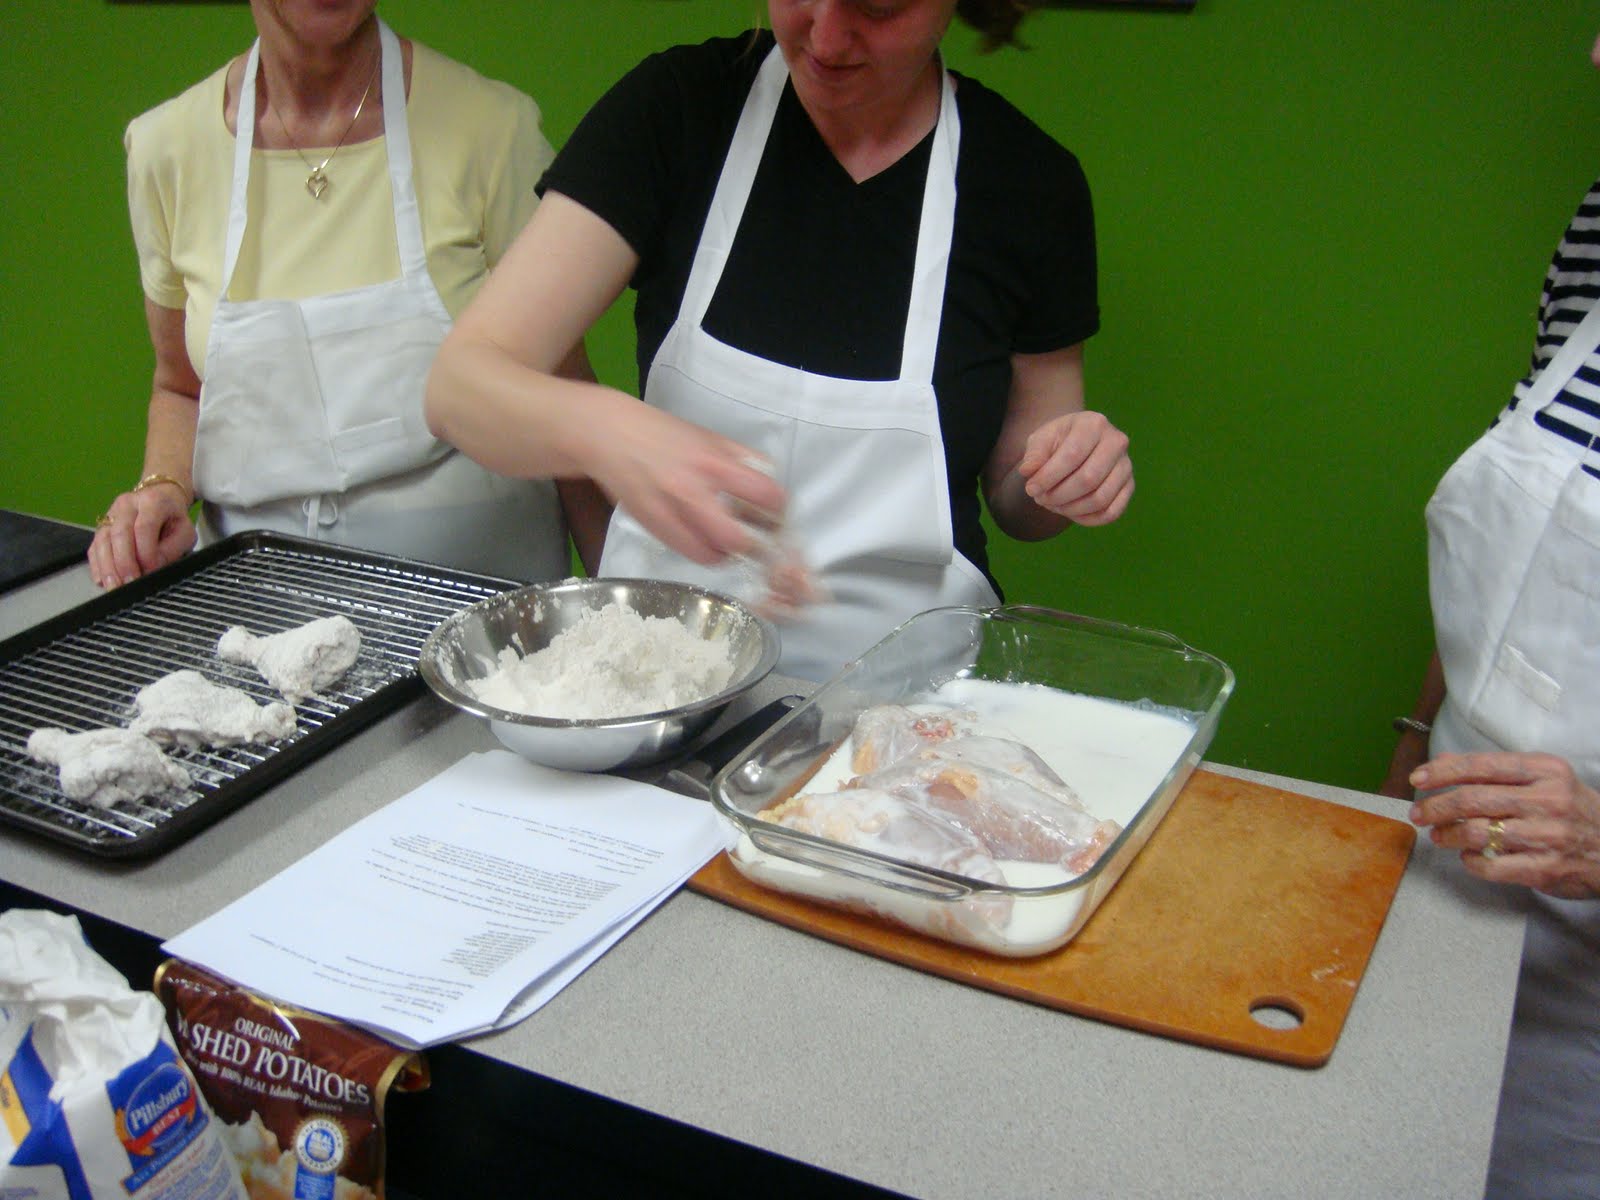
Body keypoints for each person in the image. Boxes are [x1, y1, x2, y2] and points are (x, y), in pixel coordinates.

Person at [424, 0, 1134, 681]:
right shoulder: (679, 109)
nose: (824, 38)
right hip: (661, 680)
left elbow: (1022, 503)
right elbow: (461, 388)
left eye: (878, 8)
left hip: (913, 705)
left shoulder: (1029, 184)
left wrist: (1069, 474)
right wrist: (606, 430)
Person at [87, 0, 606, 590]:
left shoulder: (490, 126)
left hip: (482, 613)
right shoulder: (168, 149)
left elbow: (563, 389)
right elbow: (181, 385)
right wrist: (162, 489)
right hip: (261, 609)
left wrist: (622, 603)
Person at [1381, 31, 1600, 1199]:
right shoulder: (1596, 233)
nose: (1597, 52)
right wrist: (1412, 745)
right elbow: (1513, 563)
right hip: (1452, 885)